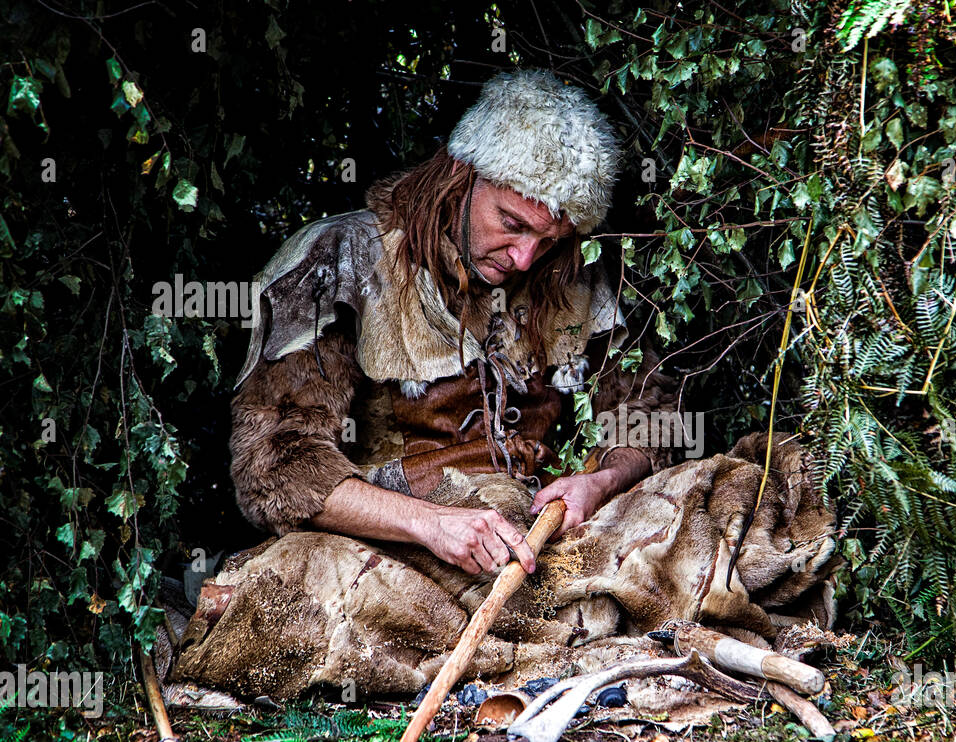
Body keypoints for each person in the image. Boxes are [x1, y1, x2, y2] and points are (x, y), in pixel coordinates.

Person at [168, 70, 838, 703]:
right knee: (308, 591)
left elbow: (645, 420)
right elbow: (276, 469)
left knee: (738, 490)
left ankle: (554, 626)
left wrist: (598, 483)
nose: (523, 258)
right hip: (393, 551)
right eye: (511, 225)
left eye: (546, 240)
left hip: (544, 546)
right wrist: (434, 526)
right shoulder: (340, 261)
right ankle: (591, 627)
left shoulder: (568, 274)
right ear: (461, 176)